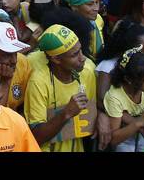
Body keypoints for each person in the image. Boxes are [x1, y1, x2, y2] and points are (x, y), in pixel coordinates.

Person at [25, 24, 96, 152]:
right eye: (74, 55)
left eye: (80, 50)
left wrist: (102, 118)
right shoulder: (38, 82)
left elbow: (91, 115)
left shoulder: (87, 72)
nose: (83, 58)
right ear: (56, 59)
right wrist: (67, 113)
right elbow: (35, 136)